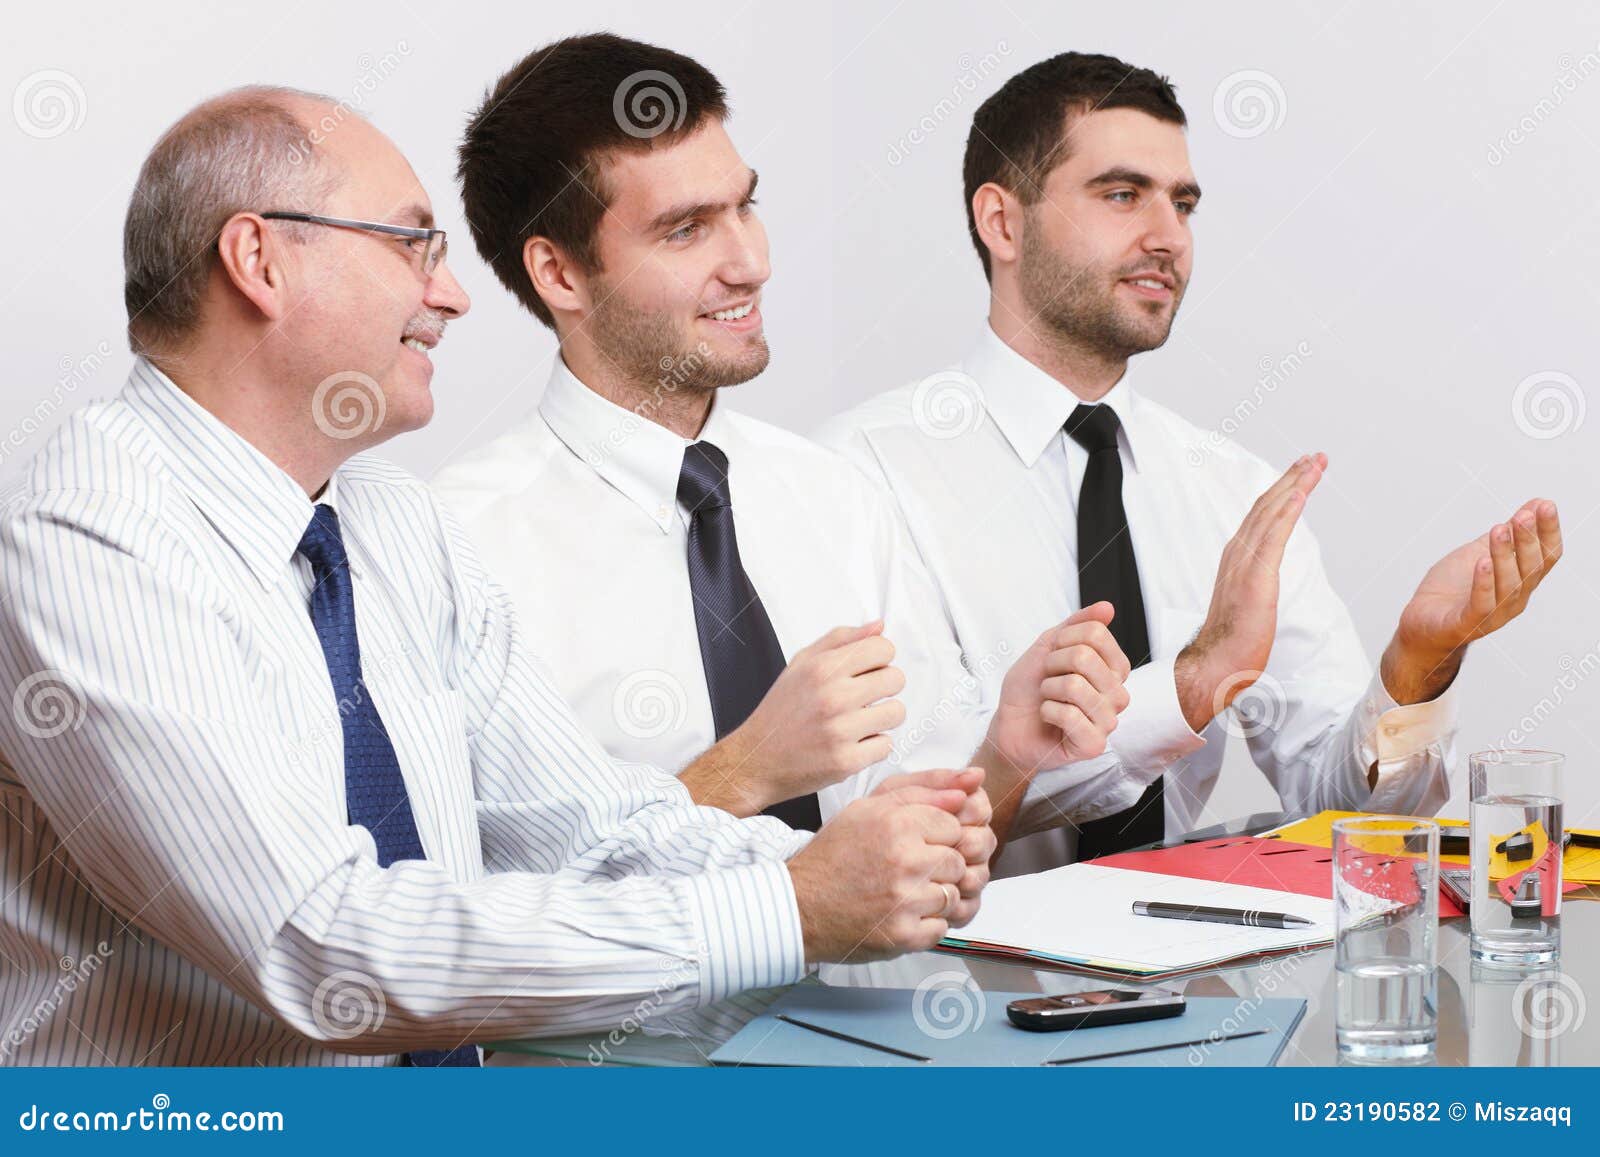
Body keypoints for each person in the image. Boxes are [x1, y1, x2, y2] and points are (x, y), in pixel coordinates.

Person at [0, 85, 992, 1067]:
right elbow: (322, 940)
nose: (455, 293)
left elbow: (586, 829)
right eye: (409, 243)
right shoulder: (91, 534)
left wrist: (860, 864)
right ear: (258, 259)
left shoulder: (393, 517)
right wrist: (791, 906)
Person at [430, 34, 1136, 909]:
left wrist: (1006, 753)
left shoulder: (832, 493)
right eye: (686, 229)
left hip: (880, 1030)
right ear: (559, 272)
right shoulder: (456, 546)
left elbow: (929, 835)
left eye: (745, 207)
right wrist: (748, 768)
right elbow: (474, 920)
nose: (750, 262)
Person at [816, 51, 1563, 874]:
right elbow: (885, 816)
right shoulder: (860, 474)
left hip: (1190, 989)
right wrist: (1190, 685)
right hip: (950, 989)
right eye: (1122, 194)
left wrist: (1416, 666)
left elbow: (1345, 817)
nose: (1169, 237)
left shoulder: (1231, 489)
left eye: (1184, 203)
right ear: (1003, 222)